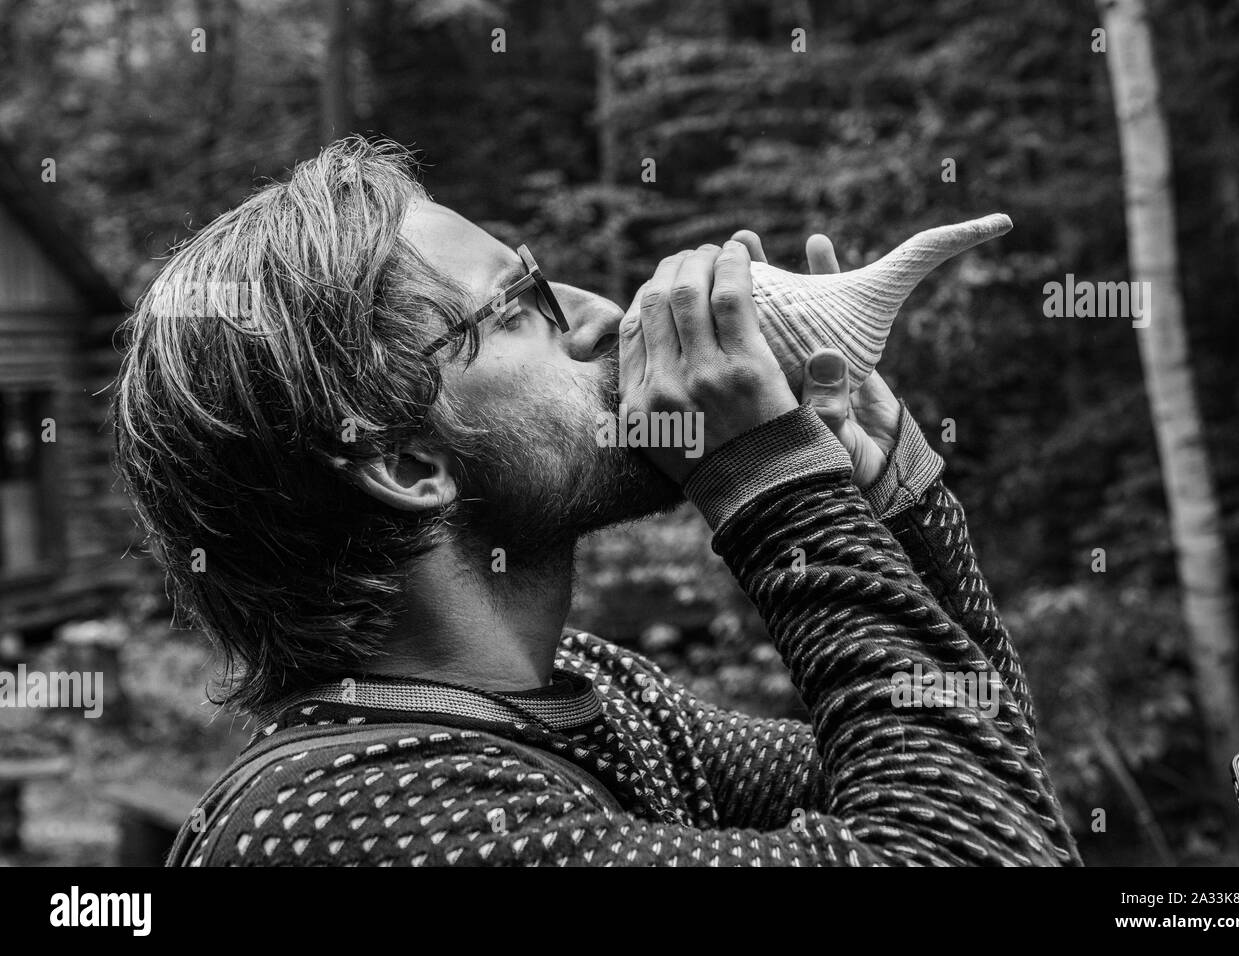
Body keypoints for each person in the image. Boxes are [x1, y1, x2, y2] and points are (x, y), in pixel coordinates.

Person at [113, 137, 1080, 866]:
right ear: (406, 465)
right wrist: (771, 480)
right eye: (520, 304)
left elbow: (995, 793)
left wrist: (889, 497)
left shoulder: (597, 694)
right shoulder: (356, 818)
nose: (602, 315)